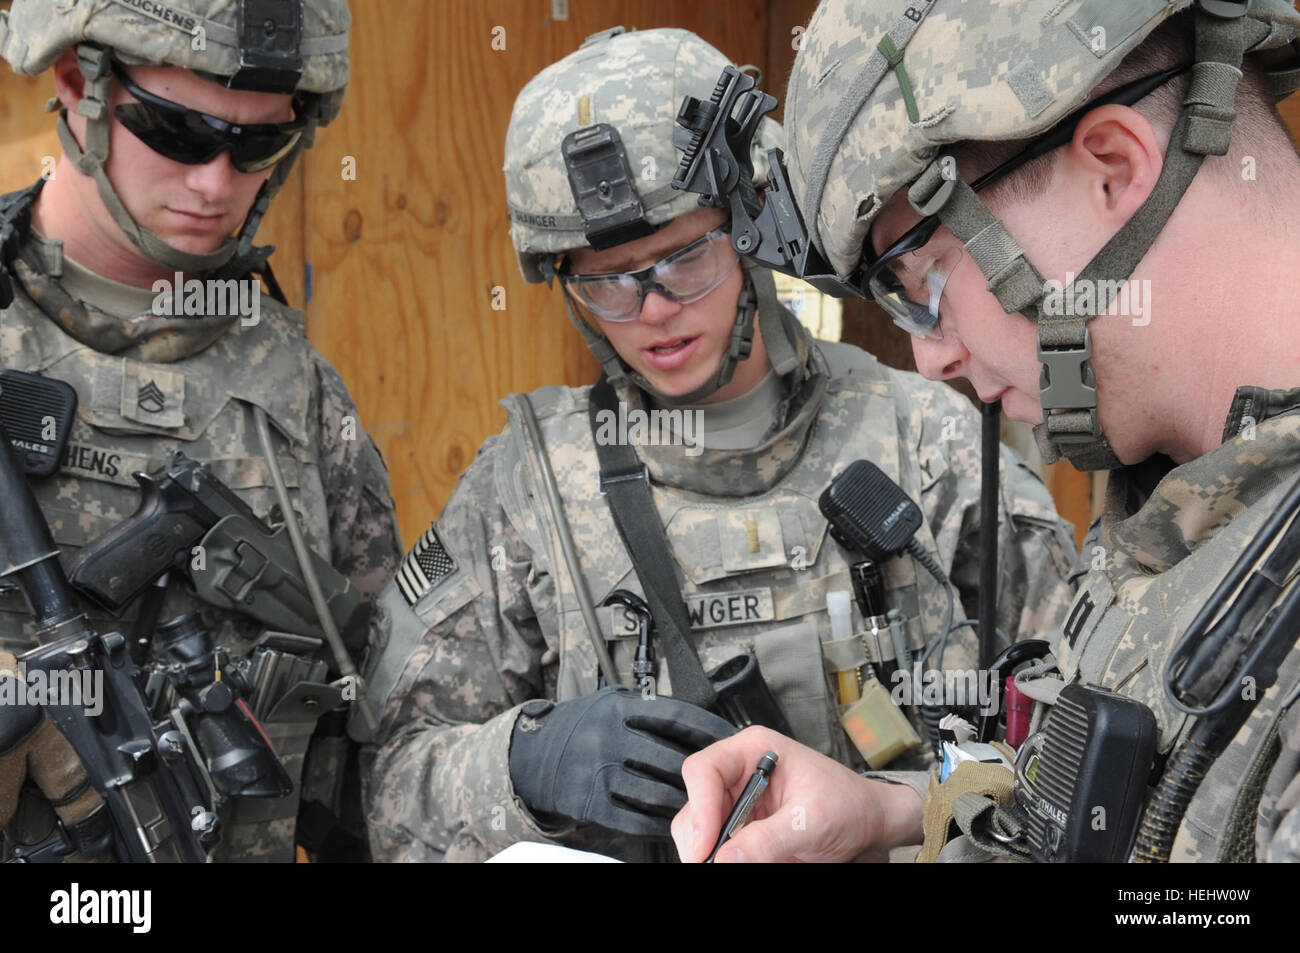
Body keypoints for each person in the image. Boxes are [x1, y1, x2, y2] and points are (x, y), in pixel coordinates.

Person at [363, 25, 1078, 863]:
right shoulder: (527, 491)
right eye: (607, 282)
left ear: (750, 232)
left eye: (683, 259)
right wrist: (520, 763)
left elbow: (1079, 757)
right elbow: (383, 788)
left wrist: (900, 807)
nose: (654, 308)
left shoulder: (930, 445)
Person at [672, 0, 1300, 863]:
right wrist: (890, 808)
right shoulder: (1183, 491)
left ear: (1114, 170)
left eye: (921, 280)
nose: (930, 359)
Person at [0, 0, 401, 862]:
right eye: (178, 132)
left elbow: (382, 730)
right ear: (78, 83)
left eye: (257, 145)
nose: (218, 182)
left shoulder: (297, 394)